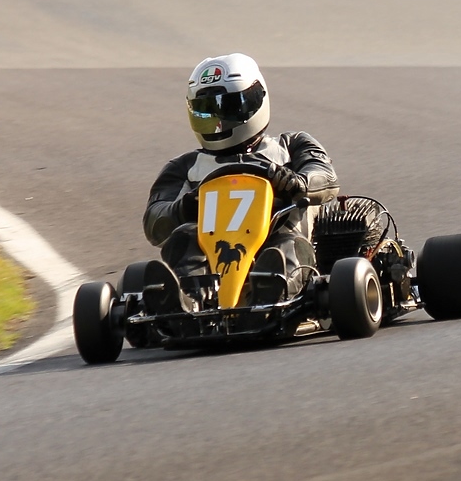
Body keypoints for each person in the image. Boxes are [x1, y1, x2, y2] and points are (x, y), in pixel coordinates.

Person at [142, 53, 339, 312]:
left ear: (256, 101)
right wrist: (183, 209)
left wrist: (297, 183)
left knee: (284, 243)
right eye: (206, 111)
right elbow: (154, 221)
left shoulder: (291, 146)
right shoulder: (184, 167)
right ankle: (189, 299)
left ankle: (274, 292)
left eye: (229, 108)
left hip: (278, 235)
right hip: (209, 254)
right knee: (183, 236)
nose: (218, 122)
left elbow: (326, 177)